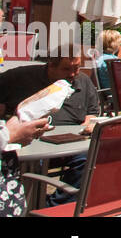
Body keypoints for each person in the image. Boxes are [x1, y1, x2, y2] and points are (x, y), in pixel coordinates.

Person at [0, 44, 100, 205]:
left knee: (88, 158)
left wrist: (89, 123)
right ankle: (27, 204)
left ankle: (52, 207)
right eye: (67, 69)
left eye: (77, 68)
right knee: (32, 164)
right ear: (51, 65)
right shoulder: (21, 77)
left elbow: (92, 112)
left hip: (69, 143)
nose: (73, 74)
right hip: (28, 142)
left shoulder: (83, 81)